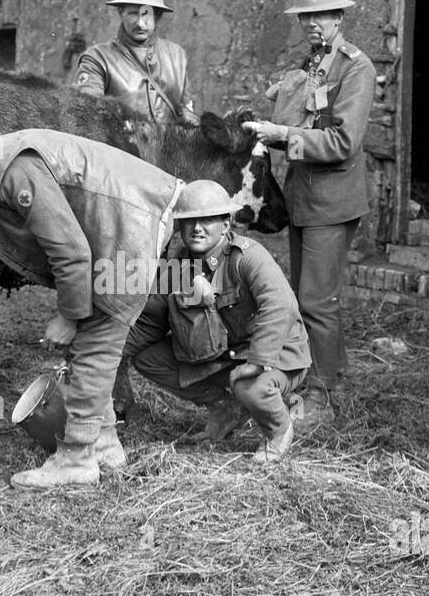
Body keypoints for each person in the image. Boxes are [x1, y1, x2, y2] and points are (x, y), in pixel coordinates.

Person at [0, 129, 186, 489]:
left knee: (95, 340)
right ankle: (104, 444)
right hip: (118, 222)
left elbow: (71, 250)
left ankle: (76, 458)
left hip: (126, 223)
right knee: (90, 343)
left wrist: (68, 316)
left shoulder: (8, 171)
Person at [240, 0, 376, 426]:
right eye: (305, 17)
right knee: (303, 299)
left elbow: (343, 142)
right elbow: (301, 136)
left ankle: (322, 396)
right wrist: (266, 131)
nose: (312, 24)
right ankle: (308, 384)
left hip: (332, 203)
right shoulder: (310, 65)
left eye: (321, 16)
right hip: (304, 199)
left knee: (318, 302)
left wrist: (284, 134)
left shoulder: (356, 68)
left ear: (339, 18)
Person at [122, 180, 311, 463]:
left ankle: (278, 430)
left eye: (207, 219)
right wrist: (111, 351)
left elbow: (280, 306)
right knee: (148, 358)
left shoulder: (248, 257)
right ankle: (224, 408)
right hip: (224, 354)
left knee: (252, 386)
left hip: (277, 356)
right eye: (188, 221)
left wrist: (257, 362)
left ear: (226, 224)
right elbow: (153, 319)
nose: (197, 228)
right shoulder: (180, 265)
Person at [73, 0, 200, 124]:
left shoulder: (177, 56)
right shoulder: (97, 58)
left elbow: (186, 110)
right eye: (133, 14)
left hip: (172, 145)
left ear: (158, 16)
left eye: (146, 14)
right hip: (119, 145)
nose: (140, 23)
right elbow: (85, 112)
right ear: (121, 13)